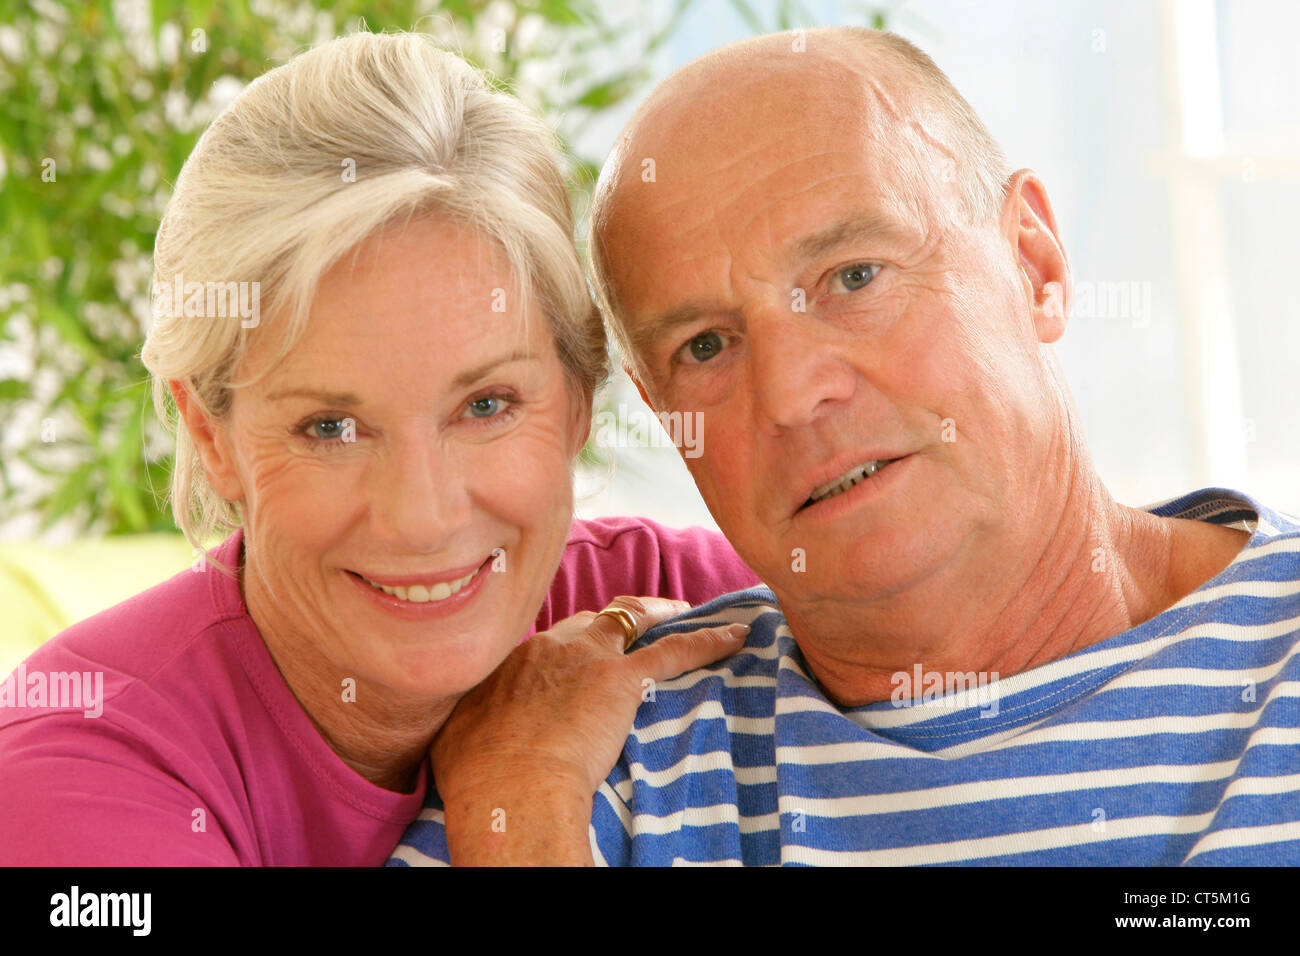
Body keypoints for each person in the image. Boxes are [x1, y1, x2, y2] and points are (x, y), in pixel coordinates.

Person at [393, 26, 1300, 866]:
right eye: (705, 346)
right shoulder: (569, 769)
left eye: (853, 277)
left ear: (1036, 265)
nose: (791, 393)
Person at [0, 31, 760, 866]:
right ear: (211, 436)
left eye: (486, 405)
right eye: (330, 427)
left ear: (580, 399)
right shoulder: (77, 771)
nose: (422, 518)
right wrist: (519, 793)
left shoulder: (695, 608)